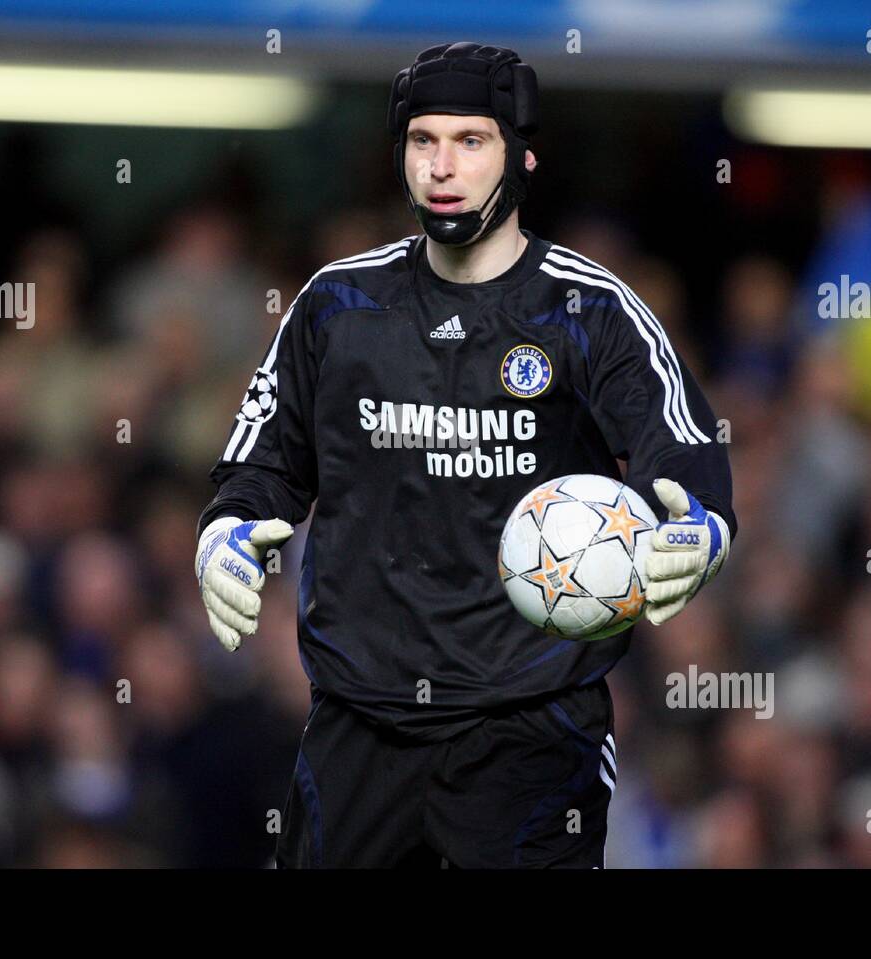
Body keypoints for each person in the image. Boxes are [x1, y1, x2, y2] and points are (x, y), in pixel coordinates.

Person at [194, 42, 736, 868]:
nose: (442, 165)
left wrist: (701, 526)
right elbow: (264, 458)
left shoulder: (589, 310)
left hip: (531, 729)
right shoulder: (340, 305)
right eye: (423, 141)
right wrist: (226, 527)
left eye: (470, 141)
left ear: (522, 158)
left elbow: (681, 443)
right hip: (360, 725)